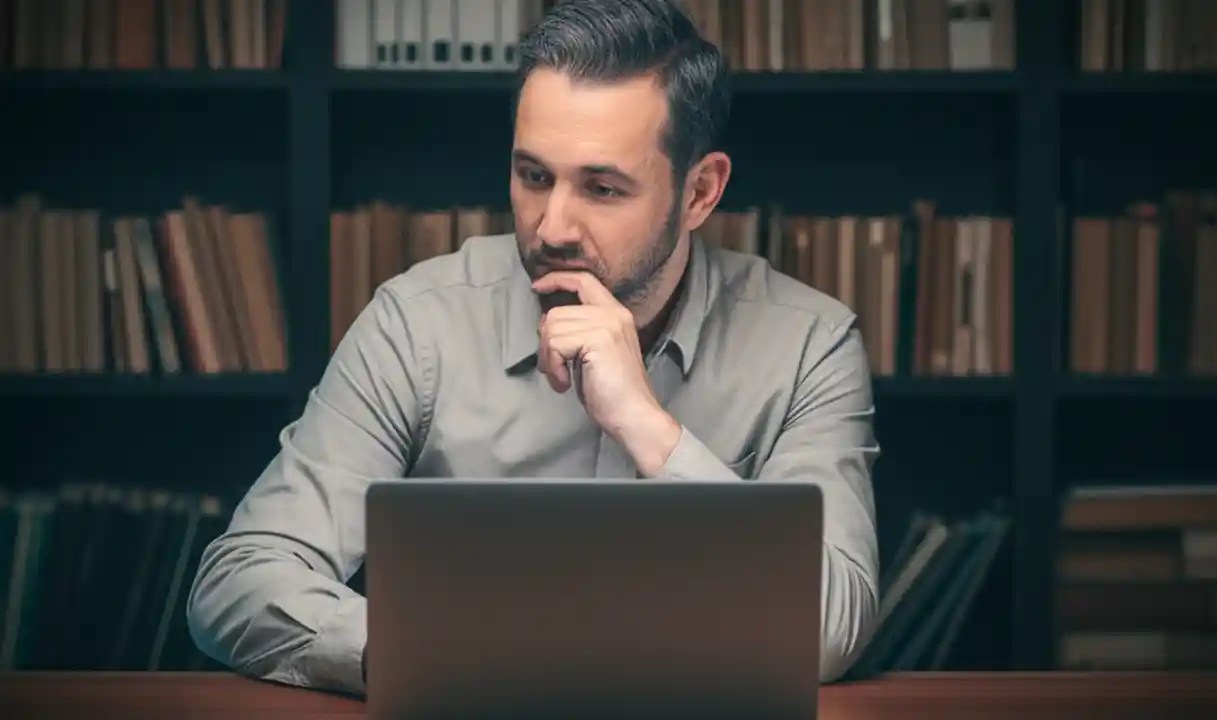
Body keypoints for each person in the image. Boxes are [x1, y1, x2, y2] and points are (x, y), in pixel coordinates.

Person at [186, 0, 880, 697]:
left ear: (699, 192)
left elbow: (830, 628)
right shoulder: (418, 324)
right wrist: (427, 656)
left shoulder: (808, 346)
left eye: (602, 188)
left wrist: (648, 428)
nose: (551, 227)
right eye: (534, 176)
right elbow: (240, 578)